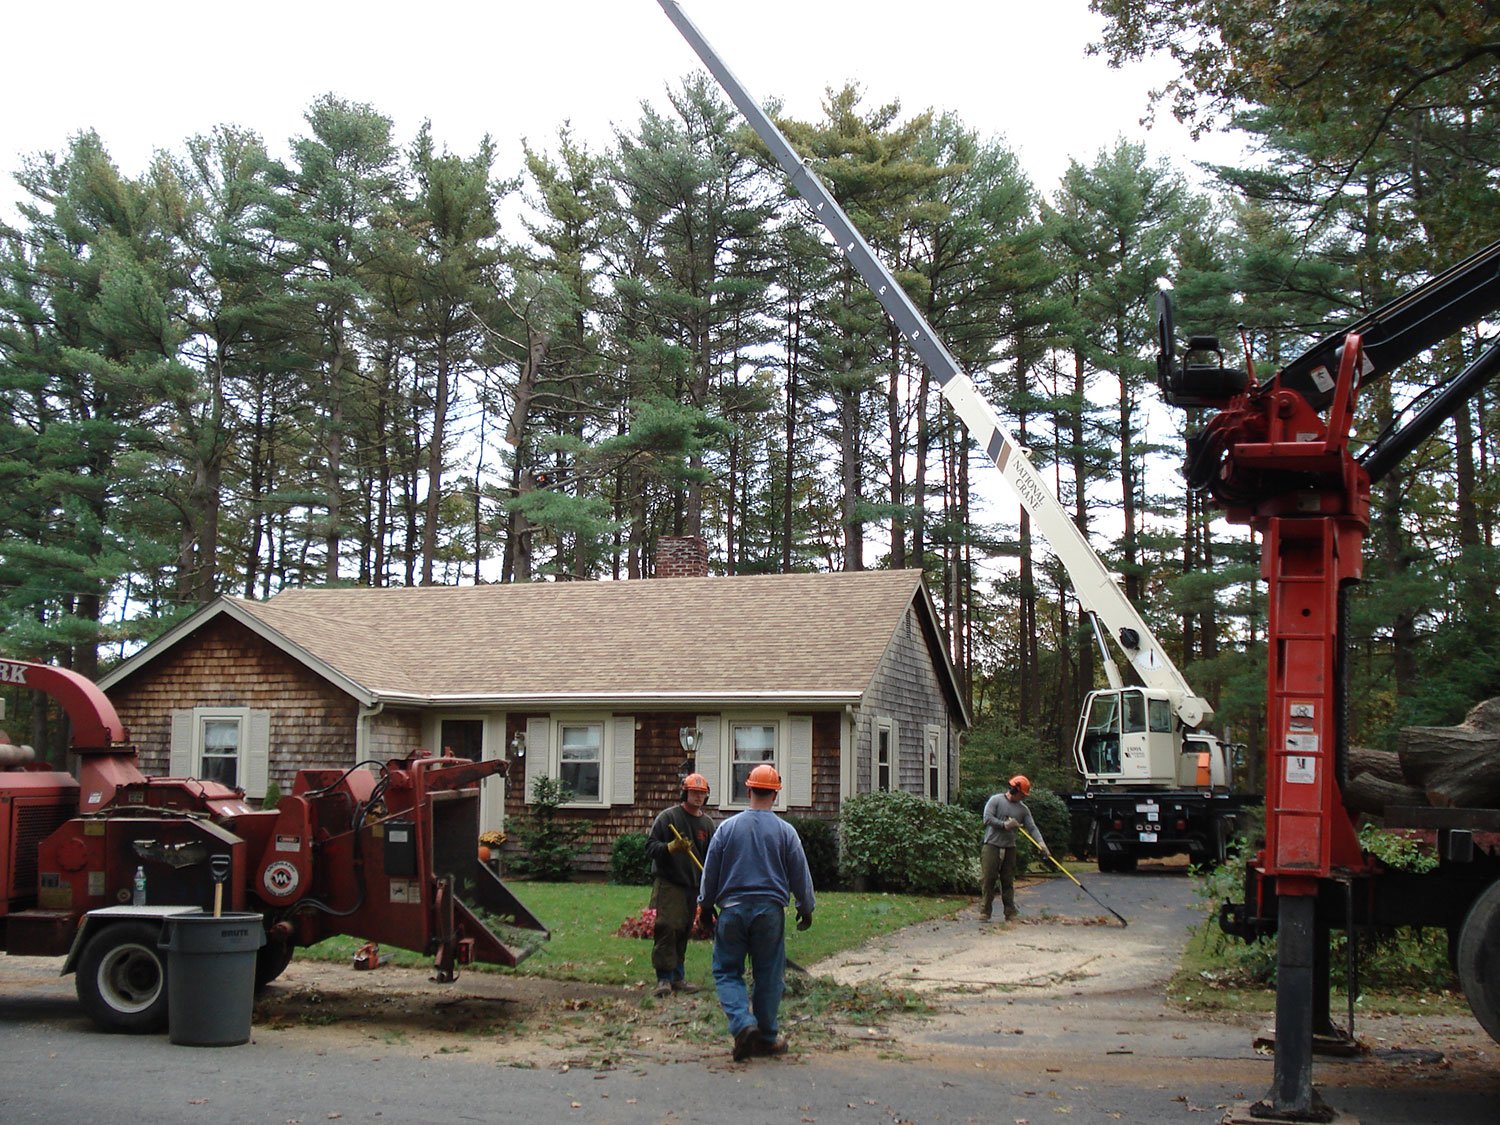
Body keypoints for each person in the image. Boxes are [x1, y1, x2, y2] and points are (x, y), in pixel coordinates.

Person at [697, 763, 815, 1061]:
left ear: (747, 790)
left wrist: (705, 904)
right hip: (769, 911)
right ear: (775, 794)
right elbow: (800, 873)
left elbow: (710, 871)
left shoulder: (727, 828)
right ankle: (766, 1035)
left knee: (726, 970)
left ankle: (742, 1023)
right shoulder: (785, 832)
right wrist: (806, 906)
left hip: (733, 910)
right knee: (769, 974)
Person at [644, 772, 716, 997]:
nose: (698, 797)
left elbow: (712, 857)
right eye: (694, 793)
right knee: (667, 927)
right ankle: (663, 979)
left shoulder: (707, 824)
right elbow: (650, 848)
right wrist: (670, 848)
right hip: (670, 883)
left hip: (694, 885)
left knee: (684, 929)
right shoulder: (668, 818)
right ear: (684, 793)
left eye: (702, 794)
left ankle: (678, 977)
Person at [980, 774, 1048, 922]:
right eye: (1022, 795)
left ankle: (1010, 912)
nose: (1023, 798)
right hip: (992, 845)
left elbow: (1032, 828)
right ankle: (985, 911)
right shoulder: (996, 800)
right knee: (989, 879)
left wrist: (1041, 844)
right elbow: (987, 818)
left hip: (1010, 847)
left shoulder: (1023, 809)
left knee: (1008, 881)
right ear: (1014, 790)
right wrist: (1004, 825)